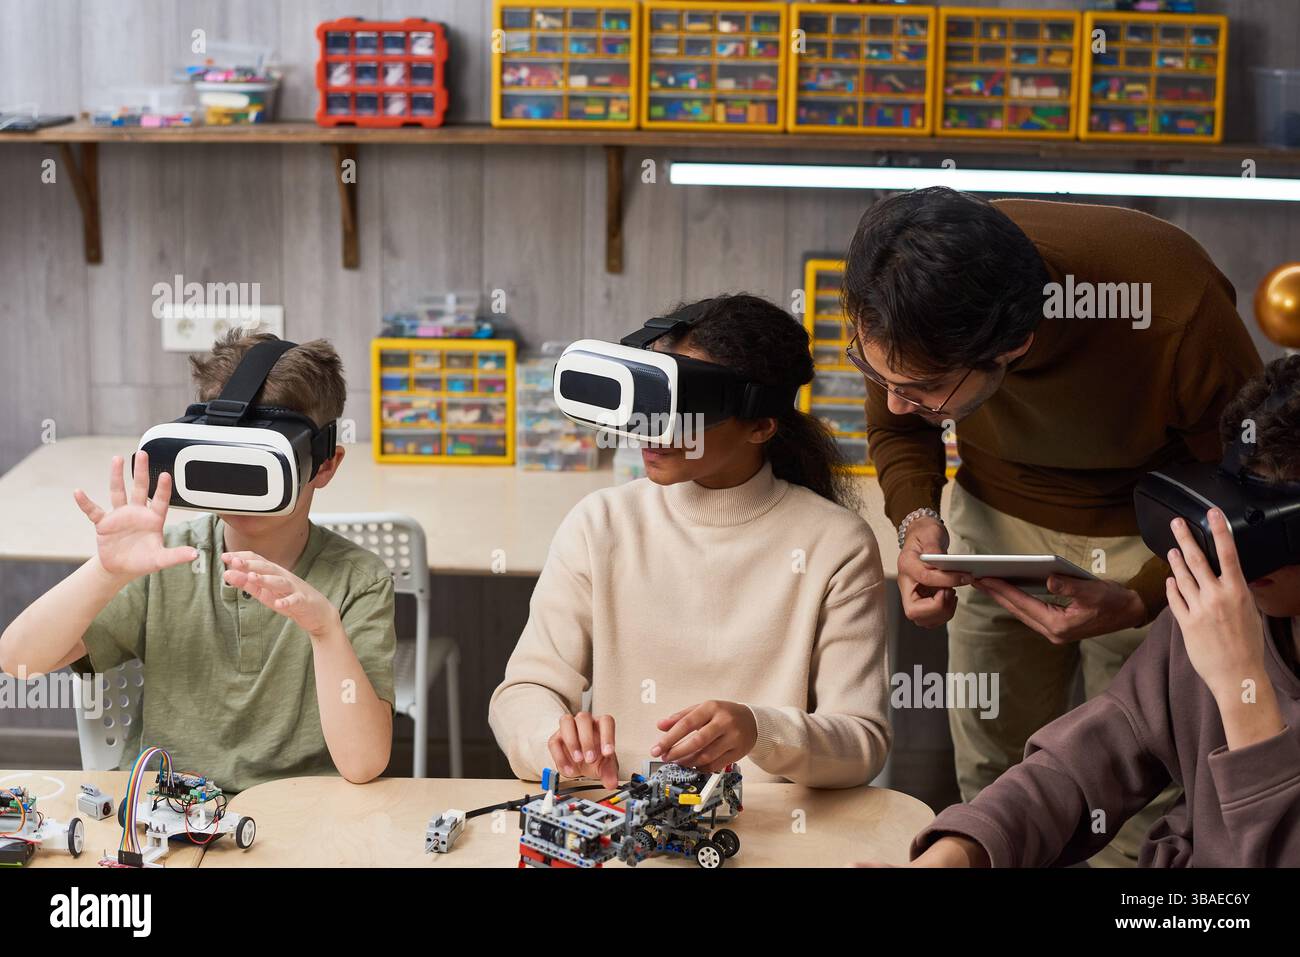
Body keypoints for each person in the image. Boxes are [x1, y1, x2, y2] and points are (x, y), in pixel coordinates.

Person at [844, 186, 1262, 864]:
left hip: (1151, 532)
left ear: (1016, 345)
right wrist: (917, 518)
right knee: (992, 770)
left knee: (1142, 783)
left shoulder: (1178, 306)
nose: (894, 397)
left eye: (922, 386)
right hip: (989, 519)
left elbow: (1242, 482)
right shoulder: (905, 299)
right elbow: (895, 423)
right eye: (877, 371)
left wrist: (1143, 595)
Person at [899, 356, 1300, 867]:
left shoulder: (1229, 627)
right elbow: (1087, 760)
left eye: (1270, 527)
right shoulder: (1212, 608)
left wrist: (1241, 683)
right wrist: (961, 852)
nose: (1241, 554)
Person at [490, 294, 890, 789]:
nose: (651, 429)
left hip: (769, 829)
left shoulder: (836, 546)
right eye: (651, 403)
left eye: (684, 409)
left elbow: (861, 743)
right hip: (622, 812)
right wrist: (554, 741)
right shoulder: (601, 525)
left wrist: (761, 731)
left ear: (762, 425)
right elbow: (524, 691)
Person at [0, 332, 396, 792]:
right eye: (223, 462)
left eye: (259, 466)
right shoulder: (165, 561)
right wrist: (106, 573)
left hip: (300, 814)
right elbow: (17, 663)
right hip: (165, 813)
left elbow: (363, 764)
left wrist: (325, 630)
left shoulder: (357, 580)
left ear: (323, 464)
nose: (240, 488)